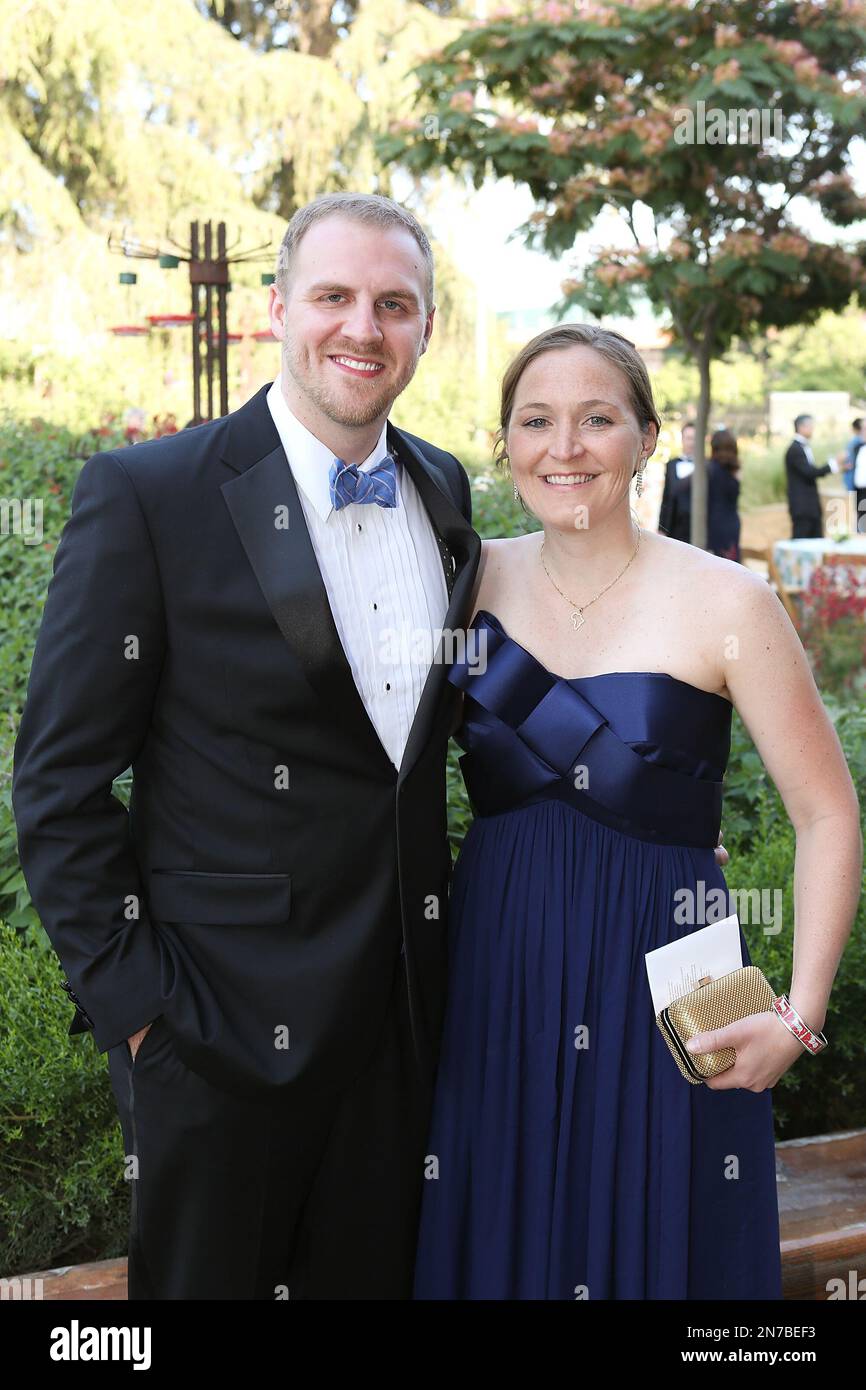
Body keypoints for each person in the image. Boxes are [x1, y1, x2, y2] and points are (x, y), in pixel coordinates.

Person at [12, 191, 484, 1301]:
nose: (362, 327)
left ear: (425, 327)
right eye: (333, 296)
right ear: (276, 309)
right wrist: (142, 1015)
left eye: (393, 304)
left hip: (401, 1028)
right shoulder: (149, 495)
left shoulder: (443, 488)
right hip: (212, 1038)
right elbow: (58, 783)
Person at [413, 324, 862, 1300]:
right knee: (506, 1235)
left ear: (647, 436)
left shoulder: (729, 601)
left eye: (596, 419)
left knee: (661, 1238)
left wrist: (800, 1016)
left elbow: (827, 812)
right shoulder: (462, 584)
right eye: (536, 421)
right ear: (504, 441)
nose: (563, 447)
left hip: (667, 984)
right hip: (497, 978)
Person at [784, 414, 840, 539]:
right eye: (810, 426)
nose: (813, 429)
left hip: (810, 506)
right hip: (802, 506)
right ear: (801, 427)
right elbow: (810, 472)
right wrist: (833, 464)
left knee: (816, 540)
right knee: (801, 542)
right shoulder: (794, 450)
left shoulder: (803, 447)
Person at [657, 420, 695, 541]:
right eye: (689, 438)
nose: (691, 442)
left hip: (694, 528)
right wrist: (661, 527)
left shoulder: (705, 467)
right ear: (682, 439)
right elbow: (666, 496)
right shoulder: (671, 464)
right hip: (673, 527)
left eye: (694, 439)